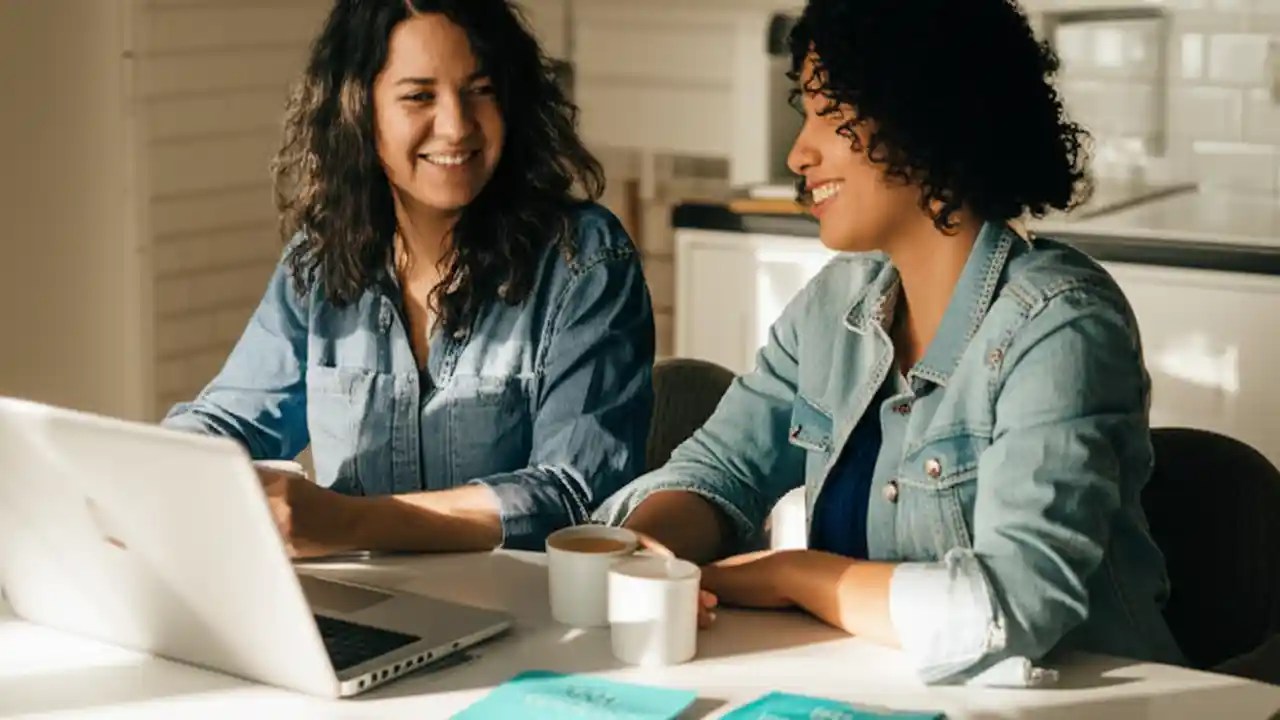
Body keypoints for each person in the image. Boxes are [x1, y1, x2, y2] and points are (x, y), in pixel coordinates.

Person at [597, 0, 1183, 685]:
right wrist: (651, 555)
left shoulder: (1061, 325)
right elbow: (720, 471)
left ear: (924, 115)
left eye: (829, 113)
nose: (798, 152)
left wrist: (798, 574)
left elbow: (1016, 605)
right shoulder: (835, 305)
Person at [164, 0, 654, 556]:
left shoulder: (584, 259)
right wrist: (152, 471)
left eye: (481, 90)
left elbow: (574, 496)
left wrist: (349, 522)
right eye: (420, 96)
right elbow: (228, 420)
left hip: (530, 624)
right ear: (359, 111)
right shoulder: (324, 259)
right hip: (362, 612)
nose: (456, 126)